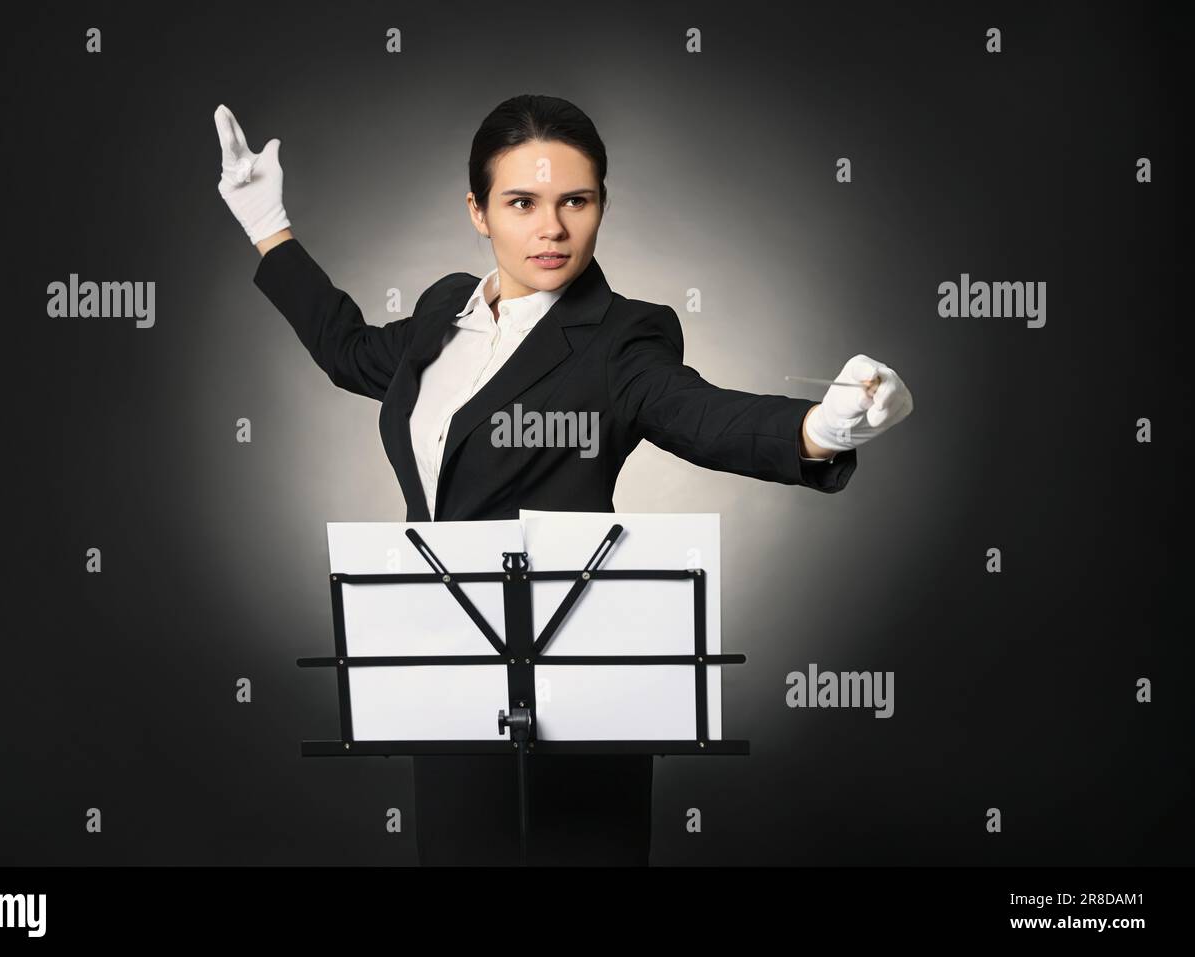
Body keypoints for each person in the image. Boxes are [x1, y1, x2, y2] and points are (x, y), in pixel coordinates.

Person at [214, 93, 914, 866]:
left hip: (580, 683)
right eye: (522, 202)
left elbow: (695, 412)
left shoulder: (622, 336)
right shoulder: (446, 310)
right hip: (443, 674)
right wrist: (266, 227)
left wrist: (818, 428)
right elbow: (349, 350)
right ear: (478, 211)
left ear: (601, 205)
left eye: (575, 201)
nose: (552, 228)